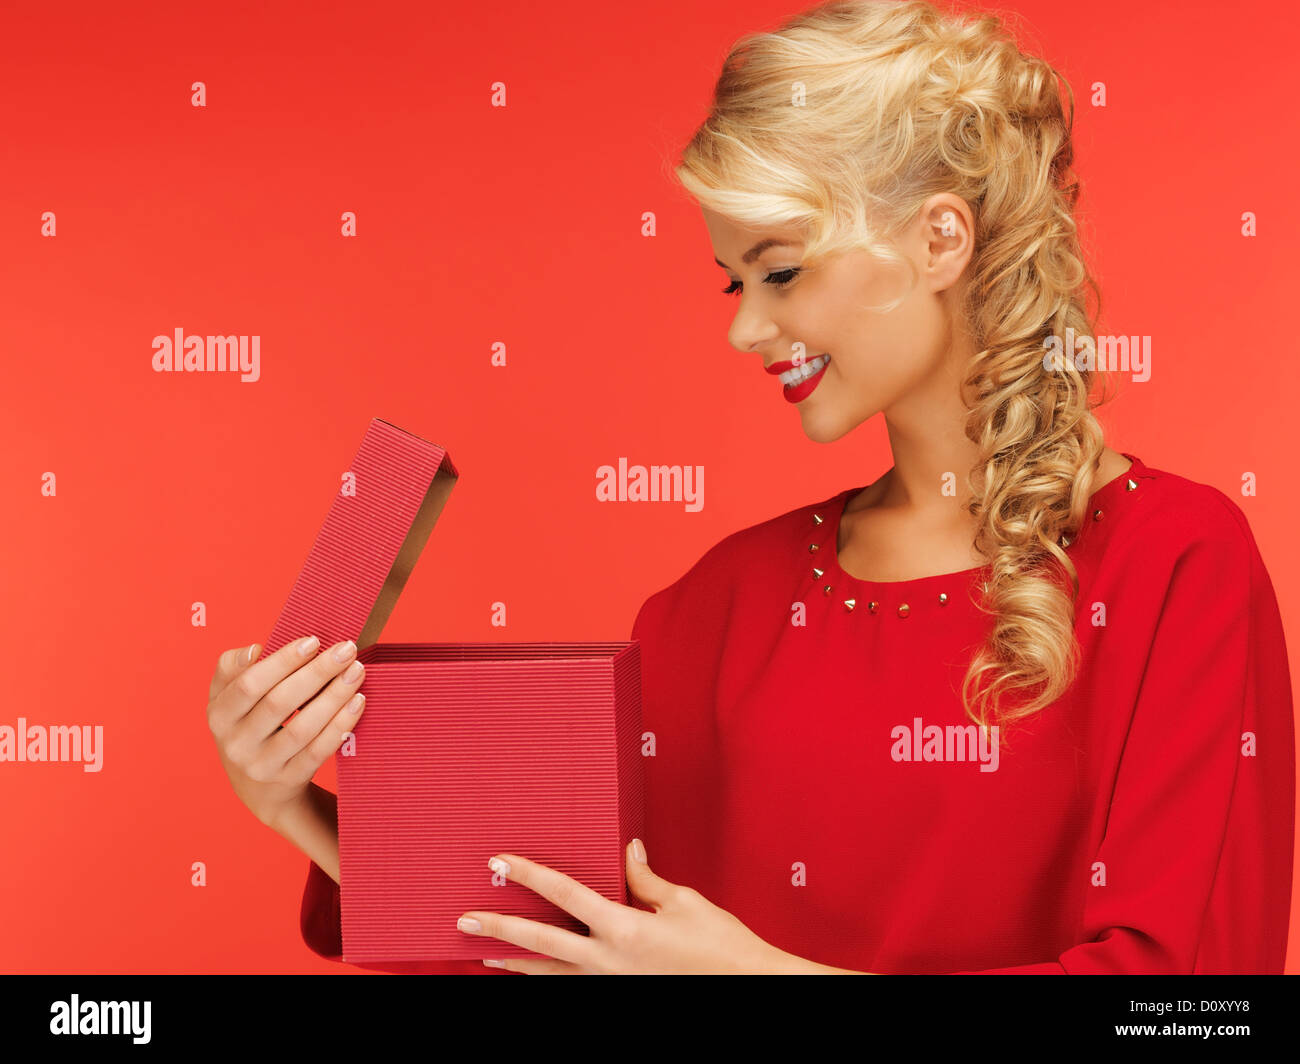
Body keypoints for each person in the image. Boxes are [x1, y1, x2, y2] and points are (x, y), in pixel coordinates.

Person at [206, 0, 1294, 973]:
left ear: (938, 238)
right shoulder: (722, 603)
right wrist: (287, 799)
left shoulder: (1174, 564)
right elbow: (557, 927)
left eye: (781, 270)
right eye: (734, 280)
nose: (743, 326)